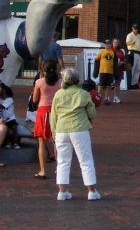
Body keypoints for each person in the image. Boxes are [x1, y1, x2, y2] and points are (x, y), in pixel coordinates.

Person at [51, 68, 100, 201]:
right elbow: (92, 114)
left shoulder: (58, 94)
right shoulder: (83, 94)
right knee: (86, 160)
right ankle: (92, 191)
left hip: (61, 129)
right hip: (79, 128)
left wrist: (54, 132)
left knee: (62, 161)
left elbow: (53, 115)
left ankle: (62, 191)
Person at [33, 60, 61, 179]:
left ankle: (43, 170)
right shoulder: (60, 82)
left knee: (41, 142)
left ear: (43, 70)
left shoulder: (39, 82)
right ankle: (59, 169)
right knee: (57, 142)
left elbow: (35, 100)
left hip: (43, 111)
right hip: (56, 111)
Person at [93, 39, 116, 105]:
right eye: (106, 44)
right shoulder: (101, 52)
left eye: (108, 44)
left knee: (108, 86)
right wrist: (96, 71)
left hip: (110, 71)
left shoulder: (113, 53)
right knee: (101, 85)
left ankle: (106, 98)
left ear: (110, 45)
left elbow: (115, 63)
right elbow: (96, 60)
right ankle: (98, 97)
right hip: (103, 71)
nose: (107, 45)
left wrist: (115, 71)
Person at [0, 84, 20, 150]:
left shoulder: (9, 99)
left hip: (11, 117)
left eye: (4, 93)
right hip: (3, 118)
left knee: (14, 128)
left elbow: (3, 107)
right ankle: (8, 142)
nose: (3, 95)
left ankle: (15, 143)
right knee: (6, 129)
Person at [125, 24, 140, 89]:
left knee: (137, 68)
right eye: (135, 29)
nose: (136, 30)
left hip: (138, 52)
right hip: (132, 52)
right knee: (133, 67)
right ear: (132, 29)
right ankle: (131, 83)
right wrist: (131, 43)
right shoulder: (130, 35)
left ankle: (135, 82)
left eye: (137, 29)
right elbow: (127, 43)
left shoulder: (139, 35)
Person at [111, 39, 126, 103]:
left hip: (120, 70)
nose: (115, 43)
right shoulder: (111, 50)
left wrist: (122, 62)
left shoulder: (120, 51)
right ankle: (108, 97)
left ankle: (116, 97)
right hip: (112, 70)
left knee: (118, 84)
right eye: (114, 42)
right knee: (110, 84)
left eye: (117, 42)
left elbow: (124, 59)